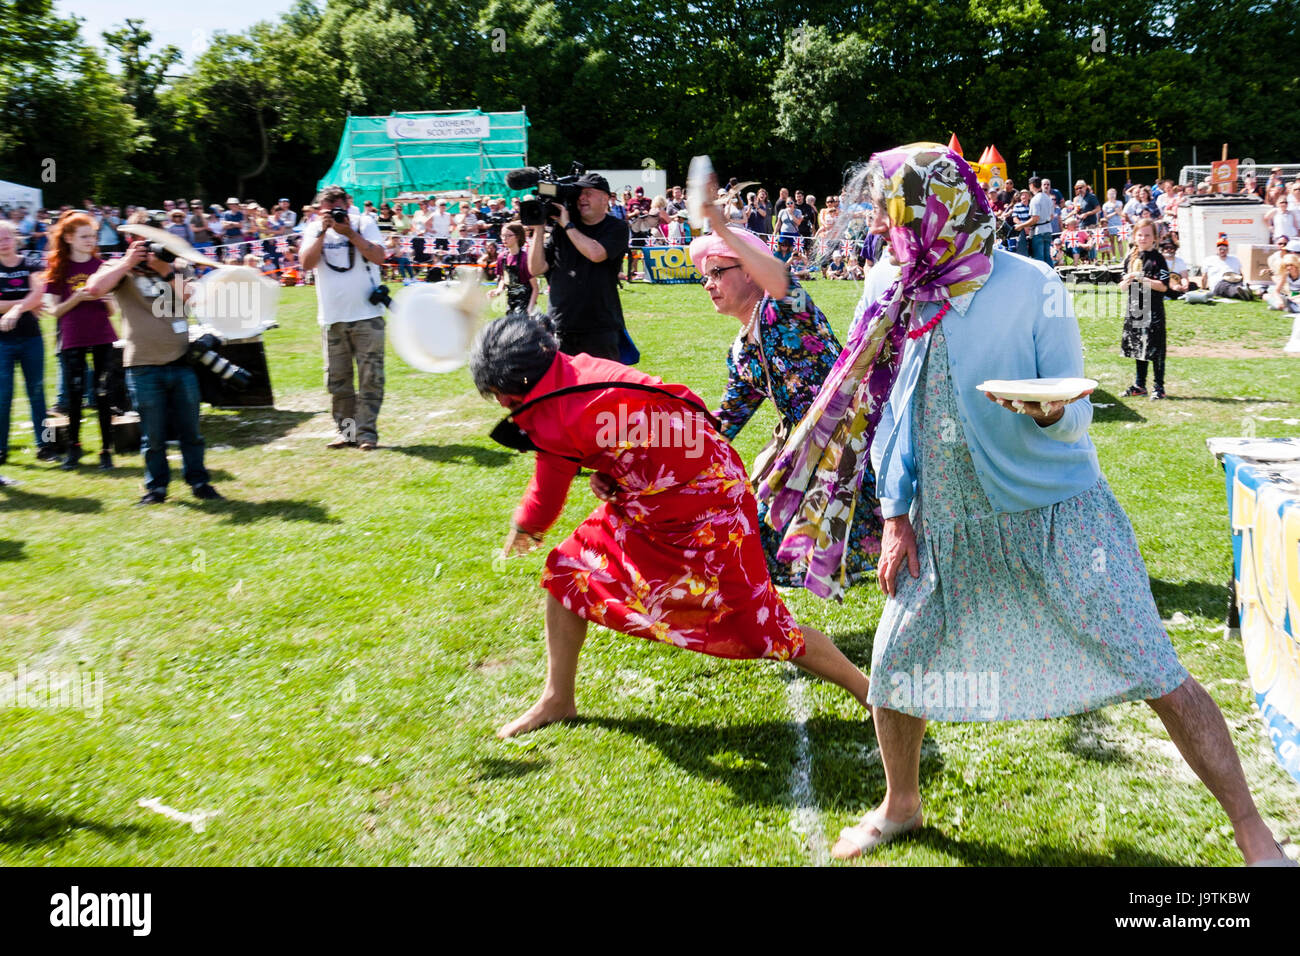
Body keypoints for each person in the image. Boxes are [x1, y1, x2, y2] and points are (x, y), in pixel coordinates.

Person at [760, 142, 1292, 865]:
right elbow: (890, 410)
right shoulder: (893, 283)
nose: (886, 230)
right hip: (944, 522)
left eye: (898, 214)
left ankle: (1253, 834)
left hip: (1054, 514)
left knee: (1156, 668)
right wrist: (894, 516)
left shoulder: (1033, 281)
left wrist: (1046, 413)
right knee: (895, 666)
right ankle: (902, 804)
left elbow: (1073, 406)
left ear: (940, 212)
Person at [472, 315, 871, 739]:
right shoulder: (575, 374)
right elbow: (683, 406)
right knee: (569, 571)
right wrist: (615, 465)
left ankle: (871, 694)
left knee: (764, 627)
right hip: (653, 501)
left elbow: (546, 492)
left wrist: (526, 527)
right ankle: (558, 699)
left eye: (502, 395)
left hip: (709, 512)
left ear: (521, 383)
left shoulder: (558, 411)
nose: (502, 405)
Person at [688, 202, 881, 587]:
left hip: (860, 438)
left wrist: (722, 230)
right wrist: (648, 454)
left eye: (716, 272)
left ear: (748, 270)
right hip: (808, 454)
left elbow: (778, 277)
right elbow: (722, 423)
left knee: (910, 526)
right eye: (704, 277)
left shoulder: (785, 308)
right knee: (757, 532)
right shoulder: (741, 352)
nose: (708, 284)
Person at [82, 238, 221, 504]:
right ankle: (156, 488)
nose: (151, 251)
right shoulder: (120, 268)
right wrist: (128, 262)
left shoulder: (176, 267)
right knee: (153, 435)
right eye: (144, 245)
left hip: (181, 361)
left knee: (191, 432)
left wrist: (165, 270)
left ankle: (200, 482)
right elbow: (94, 288)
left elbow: (193, 299)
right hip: (142, 364)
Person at [301, 185, 389, 451]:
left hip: (367, 315)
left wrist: (349, 232)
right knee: (338, 381)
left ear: (348, 204)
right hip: (332, 316)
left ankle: (366, 434)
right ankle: (346, 433)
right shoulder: (313, 228)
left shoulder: (364, 223)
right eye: (329, 209)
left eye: (340, 207)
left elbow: (379, 256)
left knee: (370, 378)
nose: (335, 213)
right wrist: (322, 231)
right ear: (320, 209)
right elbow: (305, 264)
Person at [525, 173, 630, 361]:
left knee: (602, 388)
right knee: (563, 389)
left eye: (588, 193)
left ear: (605, 198)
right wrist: (539, 226)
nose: (582, 198)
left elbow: (596, 254)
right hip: (560, 326)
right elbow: (536, 268)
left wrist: (567, 224)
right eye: (579, 193)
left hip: (600, 327)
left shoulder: (616, 227)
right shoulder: (562, 230)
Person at [43, 213, 120, 469]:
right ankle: (74, 449)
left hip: (102, 335)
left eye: (93, 236)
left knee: (103, 394)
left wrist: (105, 299)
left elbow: (113, 310)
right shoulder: (58, 269)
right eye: (84, 236)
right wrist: (77, 297)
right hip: (73, 338)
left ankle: (106, 450)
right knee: (74, 395)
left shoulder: (103, 266)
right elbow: (53, 310)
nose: (91, 241)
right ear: (68, 238)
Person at [0, 220, 53, 465]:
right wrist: (25, 304)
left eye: (7, 237)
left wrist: (13, 309)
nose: (3, 242)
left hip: (31, 339)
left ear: (16, 238)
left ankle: (45, 446)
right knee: (3, 395)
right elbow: (33, 298)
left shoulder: (30, 262)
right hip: (3, 343)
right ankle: (1, 449)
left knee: (37, 392)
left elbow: (39, 292)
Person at [1120, 220, 1170, 399]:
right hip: (1135, 307)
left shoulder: (1159, 259)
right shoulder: (1130, 258)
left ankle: (1159, 387)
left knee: (1155, 348)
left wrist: (1141, 278)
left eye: (1148, 235)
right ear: (1134, 236)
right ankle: (1139, 385)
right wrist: (1126, 282)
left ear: (1155, 238)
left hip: (1153, 308)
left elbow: (1163, 286)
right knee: (1138, 346)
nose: (1143, 238)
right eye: (1140, 235)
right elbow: (1122, 284)